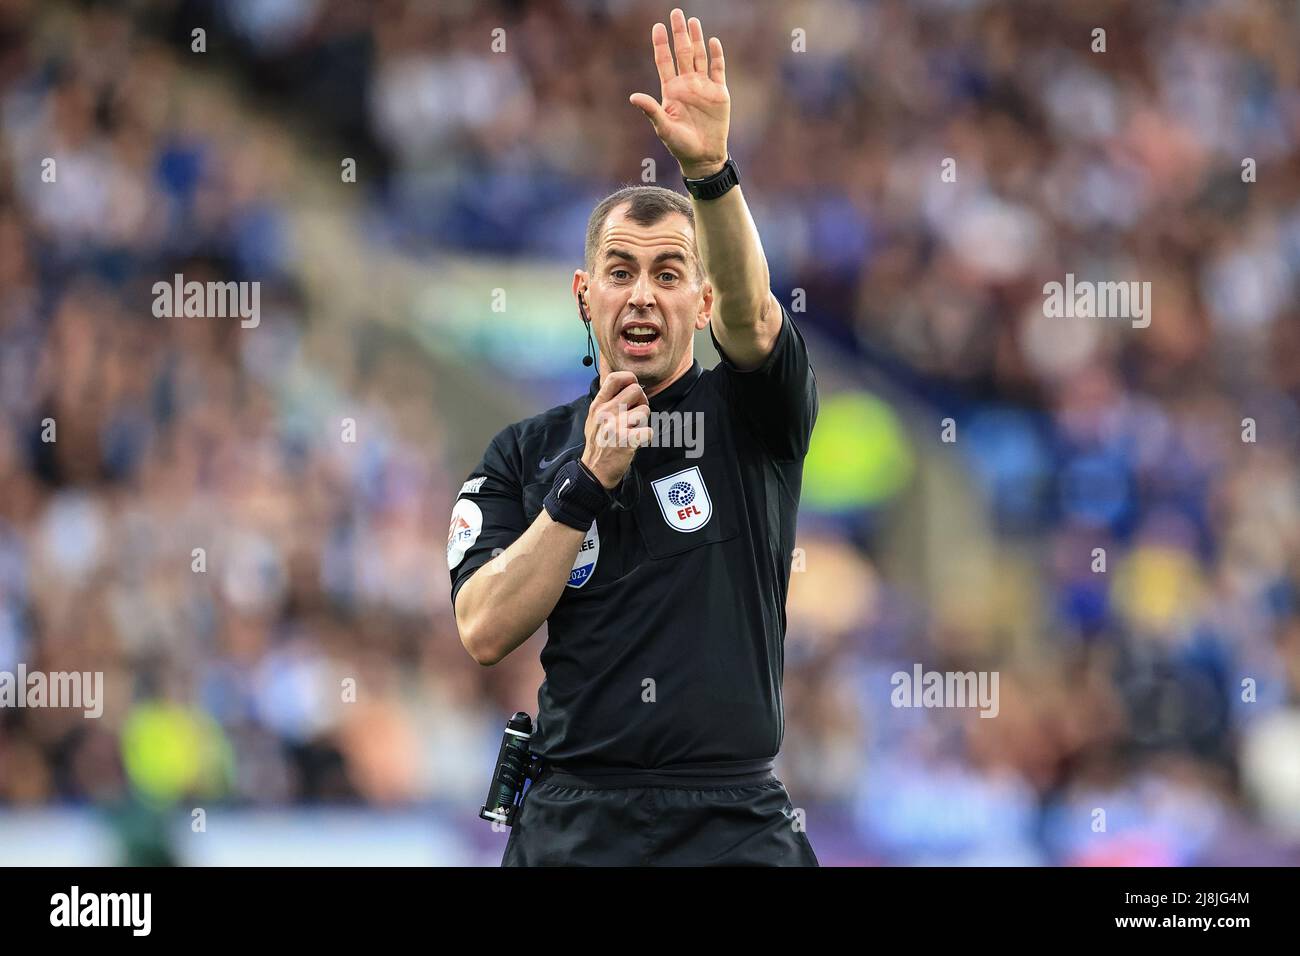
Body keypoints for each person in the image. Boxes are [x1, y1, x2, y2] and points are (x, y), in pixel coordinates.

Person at [447, 8, 819, 866]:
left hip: (733, 819)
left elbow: (759, 317)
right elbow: (483, 629)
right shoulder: (523, 453)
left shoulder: (751, 418)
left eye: (668, 273)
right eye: (621, 272)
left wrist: (710, 172)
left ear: (702, 299)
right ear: (585, 294)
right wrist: (583, 484)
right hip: (578, 820)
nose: (643, 295)